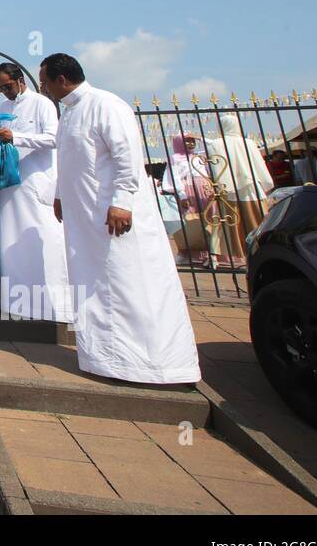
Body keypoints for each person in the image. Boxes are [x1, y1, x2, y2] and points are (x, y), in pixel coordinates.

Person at [41, 53, 200, 385]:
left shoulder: (106, 105)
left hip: (112, 214)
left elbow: (126, 155)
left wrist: (122, 201)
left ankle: (150, 364)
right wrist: (59, 194)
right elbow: (68, 159)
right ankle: (104, 359)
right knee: (94, 284)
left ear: (61, 79)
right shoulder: (69, 113)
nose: (41, 86)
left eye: (44, 79)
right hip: (85, 220)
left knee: (128, 283)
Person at [0, 63, 73, 322]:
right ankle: (17, 303)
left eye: (7, 87)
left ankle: (52, 305)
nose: (4, 93)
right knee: (11, 241)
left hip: (36, 180)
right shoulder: (2, 108)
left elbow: (54, 139)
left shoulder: (42, 103)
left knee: (43, 241)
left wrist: (17, 137)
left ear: (20, 80)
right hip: (10, 184)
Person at [205, 114, 276, 265]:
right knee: (258, 223)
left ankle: (220, 256)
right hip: (251, 187)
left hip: (228, 189)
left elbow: (216, 167)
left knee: (227, 224)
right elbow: (259, 165)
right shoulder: (249, 143)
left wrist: (220, 185)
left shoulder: (215, 144)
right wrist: (266, 183)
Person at [160, 133, 217, 266]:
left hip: (205, 189)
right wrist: (182, 195)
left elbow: (216, 146)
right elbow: (174, 176)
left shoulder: (198, 156)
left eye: (193, 141)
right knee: (189, 223)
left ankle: (211, 253)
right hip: (188, 190)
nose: (191, 143)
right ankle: (185, 253)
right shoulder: (174, 158)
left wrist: (200, 138)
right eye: (187, 141)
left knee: (209, 220)